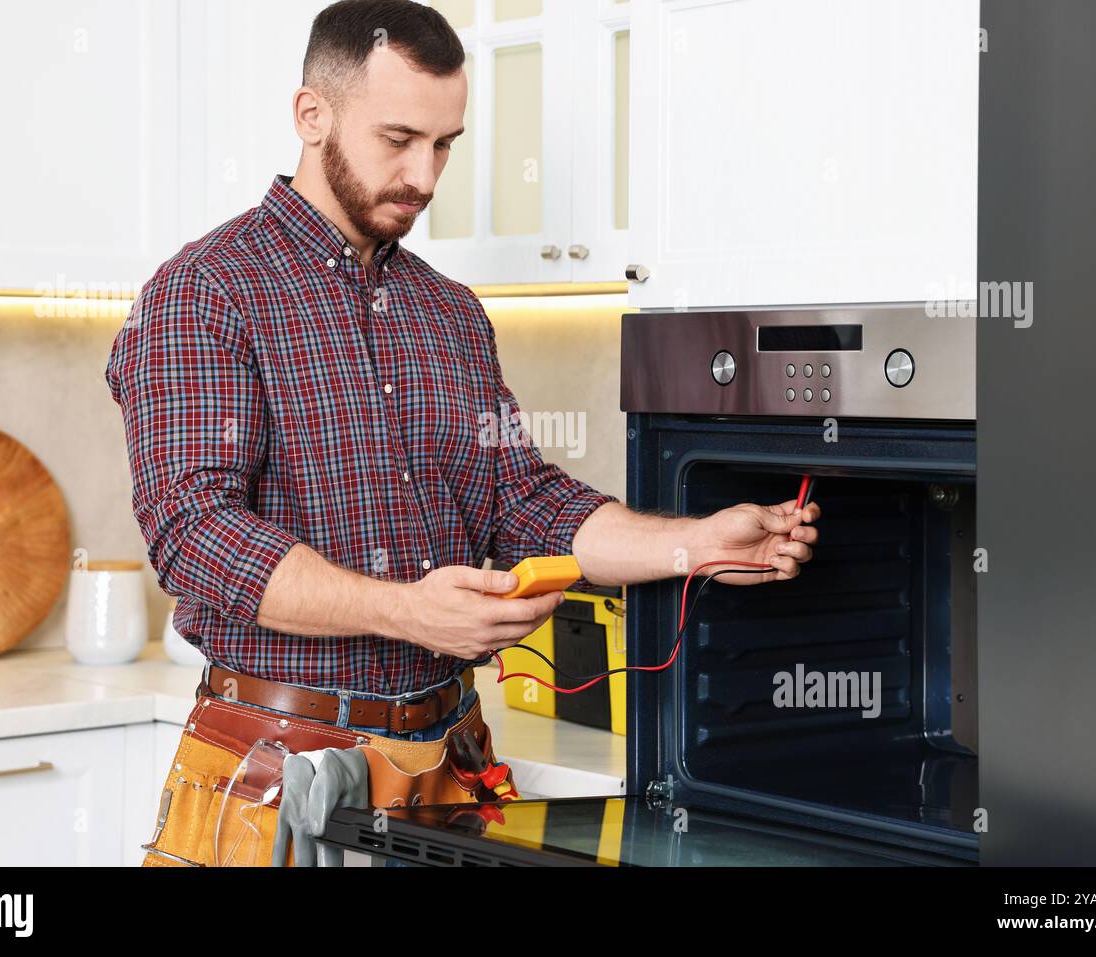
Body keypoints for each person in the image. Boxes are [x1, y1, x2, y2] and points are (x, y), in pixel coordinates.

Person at [105, 0, 820, 867]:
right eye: (398, 138)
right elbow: (194, 533)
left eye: (445, 144)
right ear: (311, 114)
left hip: (448, 765)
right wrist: (407, 611)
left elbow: (522, 500)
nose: (425, 175)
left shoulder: (450, 312)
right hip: (272, 771)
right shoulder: (204, 292)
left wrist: (698, 544)